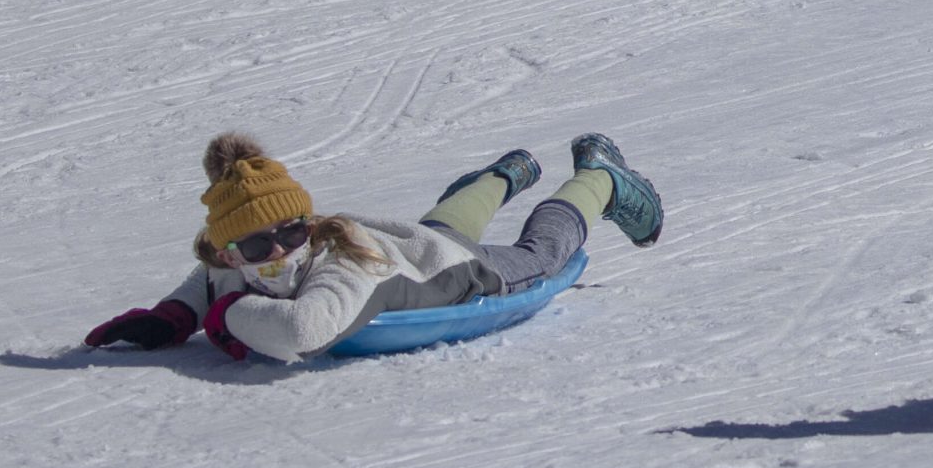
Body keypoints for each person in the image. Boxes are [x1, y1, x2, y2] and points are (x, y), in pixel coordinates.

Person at [84, 128, 663, 364]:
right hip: (421, 244)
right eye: (262, 243)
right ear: (229, 253)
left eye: (295, 230)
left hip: (462, 275)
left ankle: (601, 180)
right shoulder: (230, 265)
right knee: (440, 231)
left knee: (540, 255)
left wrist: (223, 315)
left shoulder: (340, 266)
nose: (284, 248)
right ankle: (506, 174)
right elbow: (206, 280)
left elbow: (301, 331)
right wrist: (170, 317)